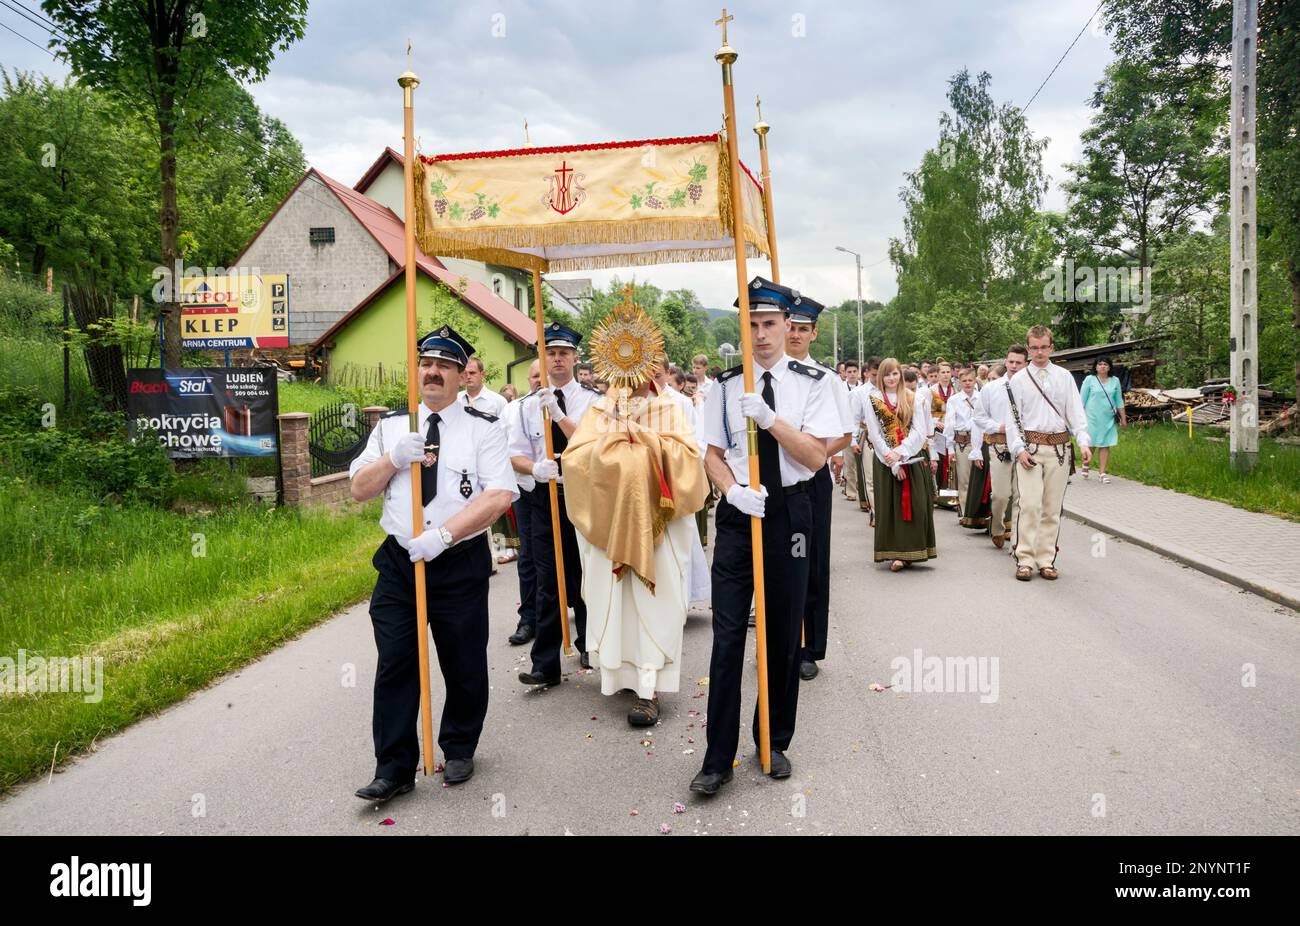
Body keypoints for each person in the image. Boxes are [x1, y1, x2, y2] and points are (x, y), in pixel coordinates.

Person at [348, 325, 517, 801]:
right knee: (396, 661)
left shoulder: (484, 428)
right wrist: (391, 462)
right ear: (417, 369)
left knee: (462, 661)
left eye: (445, 365)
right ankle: (394, 767)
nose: (434, 372)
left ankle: (459, 745)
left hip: (456, 560)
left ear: (463, 375)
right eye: (427, 363)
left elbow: (500, 494)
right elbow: (359, 489)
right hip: (400, 563)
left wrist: (443, 536)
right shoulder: (391, 428)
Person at [690, 276, 841, 795]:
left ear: (788, 325)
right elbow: (711, 454)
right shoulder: (725, 386)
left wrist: (771, 420)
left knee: (780, 634)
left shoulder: (813, 383)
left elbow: (817, 456)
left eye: (769, 324)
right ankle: (716, 758)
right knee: (728, 638)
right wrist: (730, 491)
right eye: (750, 325)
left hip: (790, 516)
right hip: (738, 516)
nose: (760, 334)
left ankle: (772, 740)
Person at [563, 312, 707, 728]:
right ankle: (621, 674)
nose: (630, 375)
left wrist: (644, 442)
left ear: (652, 365)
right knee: (619, 606)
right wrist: (610, 451)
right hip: (609, 528)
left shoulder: (668, 409)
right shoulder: (599, 413)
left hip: (657, 531)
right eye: (622, 367)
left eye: (639, 365)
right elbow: (574, 460)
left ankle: (650, 688)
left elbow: (689, 463)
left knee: (651, 604)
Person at [508, 322, 600, 683]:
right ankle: (544, 664)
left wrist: (559, 416)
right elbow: (514, 455)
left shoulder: (592, 401)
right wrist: (535, 467)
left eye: (564, 353)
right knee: (548, 580)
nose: (557, 359)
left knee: (585, 575)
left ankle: (590, 646)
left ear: (576, 358)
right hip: (543, 497)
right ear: (542, 358)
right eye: (551, 353)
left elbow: (592, 447)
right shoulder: (525, 406)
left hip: (582, 495)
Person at [784, 297, 854, 682]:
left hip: (811, 482)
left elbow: (844, 434)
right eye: (790, 327)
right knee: (777, 562)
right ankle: (780, 641)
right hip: (775, 482)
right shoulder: (768, 374)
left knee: (810, 563)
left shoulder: (826, 379)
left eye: (802, 329)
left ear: (814, 333)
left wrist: (811, 456)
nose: (795, 335)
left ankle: (809, 646)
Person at [1004, 325, 1091, 581]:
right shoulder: (1018, 380)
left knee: (1051, 509)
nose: (1039, 352)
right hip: (1030, 449)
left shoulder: (1064, 377)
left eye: (1044, 347)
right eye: (1034, 347)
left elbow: (1076, 413)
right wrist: (1018, 449)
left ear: (1051, 347)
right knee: (1030, 505)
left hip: (1059, 450)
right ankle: (1025, 558)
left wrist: (1084, 441)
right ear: (1028, 348)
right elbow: (1012, 419)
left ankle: (1045, 559)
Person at [865, 358, 937, 572]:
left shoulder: (913, 398)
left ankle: (911, 551)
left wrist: (900, 453)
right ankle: (894, 552)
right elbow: (874, 432)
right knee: (889, 506)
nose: (891, 378)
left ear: (900, 375)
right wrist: (889, 456)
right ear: (881, 377)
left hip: (910, 457)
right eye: (887, 374)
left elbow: (919, 430)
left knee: (914, 504)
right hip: (885, 461)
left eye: (895, 374)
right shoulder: (873, 399)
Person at [970, 351, 1025, 549]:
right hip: (999, 445)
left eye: (1019, 362)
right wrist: (998, 427)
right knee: (1001, 495)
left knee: (1022, 496)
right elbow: (978, 418)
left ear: (1025, 364)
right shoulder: (991, 389)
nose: (1014, 365)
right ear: (1005, 362)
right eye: (1011, 361)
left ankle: (1019, 539)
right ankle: (997, 526)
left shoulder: (1030, 387)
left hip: (1025, 447)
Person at [505, 362, 542, 645]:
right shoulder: (516, 408)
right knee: (528, 557)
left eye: (543, 375)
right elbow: (511, 452)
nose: (539, 380)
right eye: (534, 376)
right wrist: (534, 469)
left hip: (568, 491)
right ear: (527, 380)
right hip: (529, 489)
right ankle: (529, 617)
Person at [944, 367, 985, 529]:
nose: (967, 383)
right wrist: (951, 449)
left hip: (981, 442)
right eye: (964, 381)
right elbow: (949, 425)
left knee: (979, 480)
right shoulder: (954, 400)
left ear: (975, 381)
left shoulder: (982, 398)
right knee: (964, 480)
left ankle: (977, 513)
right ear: (959, 383)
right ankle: (965, 513)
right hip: (962, 442)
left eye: (970, 380)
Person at [1079, 356, 1125, 483]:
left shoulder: (1115, 380)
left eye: (1105, 364)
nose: (1103, 366)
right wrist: (1079, 419)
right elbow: (1081, 400)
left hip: (1108, 418)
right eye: (1100, 364)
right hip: (1091, 417)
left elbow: (1119, 400)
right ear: (1095, 367)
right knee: (1091, 443)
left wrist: (1124, 418)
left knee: (1105, 444)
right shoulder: (1090, 379)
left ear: (1109, 367)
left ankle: (1102, 473)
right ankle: (1086, 463)